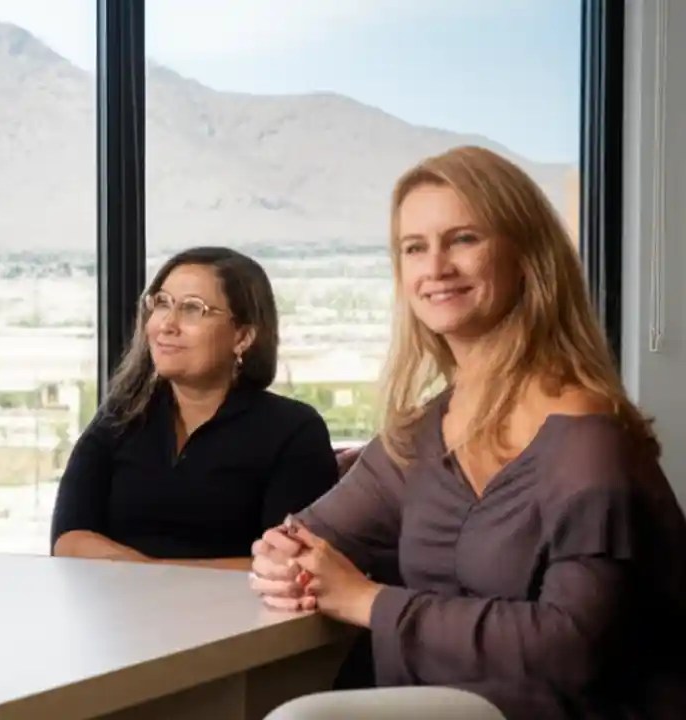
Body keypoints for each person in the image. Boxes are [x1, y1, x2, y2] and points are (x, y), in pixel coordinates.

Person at [250, 146, 686, 719]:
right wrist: (281, 558)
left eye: (463, 239)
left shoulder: (586, 434)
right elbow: (306, 534)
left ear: (527, 255)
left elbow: (570, 647)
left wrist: (366, 600)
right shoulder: (424, 434)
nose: (436, 268)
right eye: (414, 248)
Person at [51, 247, 338, 569]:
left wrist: (158, 579)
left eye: (192, 309)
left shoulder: (293, 429)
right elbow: (69, 539)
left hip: (241, 616)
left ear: (242, 336)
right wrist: (149, 580)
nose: (167, 325)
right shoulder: (122, 416)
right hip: (122, 610)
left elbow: (290, 563)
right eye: (161, 303)